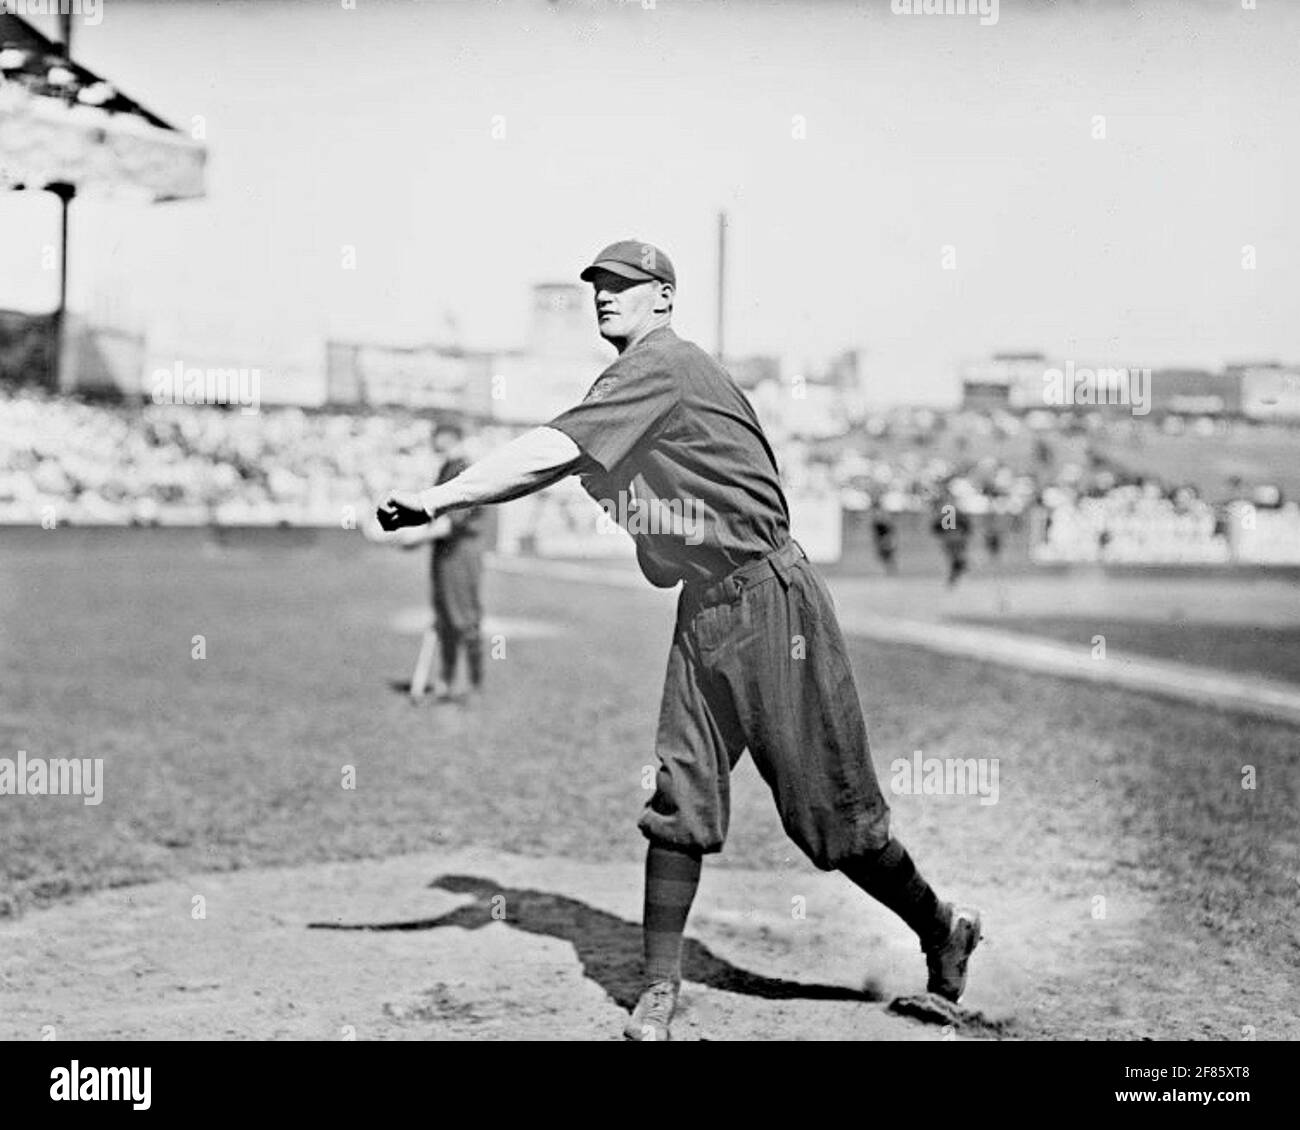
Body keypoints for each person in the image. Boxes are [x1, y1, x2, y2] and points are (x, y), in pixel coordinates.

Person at [377, 239, 981, 1040]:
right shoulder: (637, 383)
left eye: (624, 285)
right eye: (597, 285)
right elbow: (651, 527)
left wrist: (440, 498)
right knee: (679, 795)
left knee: (832, 824)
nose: (605, 296)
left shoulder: (662, 365)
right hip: (706, 609)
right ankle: (659, 986)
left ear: (663, 298)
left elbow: (551, 453)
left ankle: (941, 927)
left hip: (773, 603)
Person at [397, 421, 486, 700]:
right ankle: (446, 681)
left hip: (461, 552)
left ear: (447, 436)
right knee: (444, 619)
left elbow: (453, 522)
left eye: (435, 435)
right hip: (444, 552)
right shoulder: (446, 468)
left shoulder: (464, 469)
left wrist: (416, 539)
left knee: (464, 618)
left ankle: (474, 683)